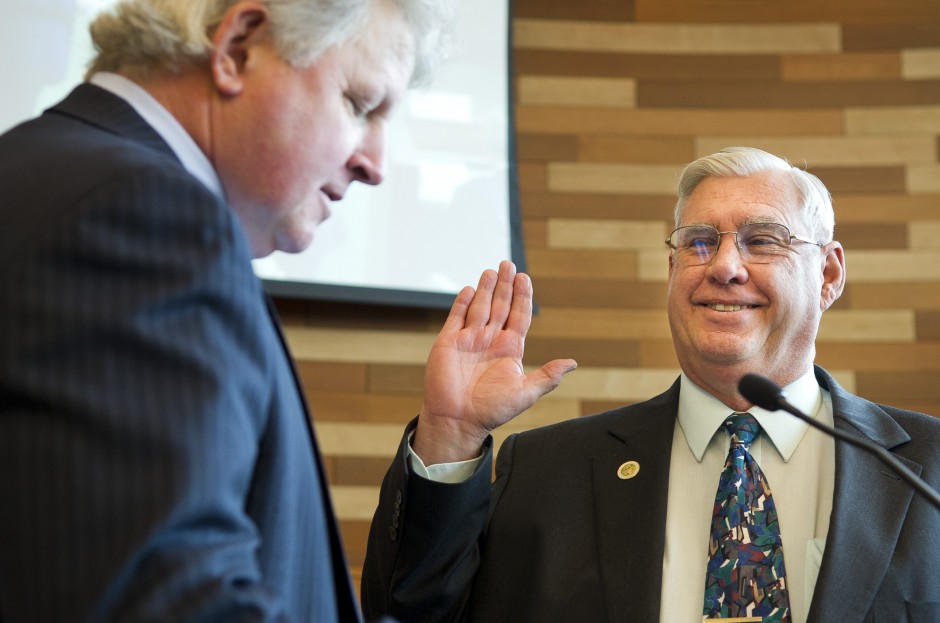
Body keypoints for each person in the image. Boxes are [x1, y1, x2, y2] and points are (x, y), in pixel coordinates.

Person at [0, 0, 500, 621]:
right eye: (358, 104)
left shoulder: (47, 168)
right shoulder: (143, 212)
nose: (376, 165)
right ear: (238, 46)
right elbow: (172, 603)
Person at [361, 147, 940, 623]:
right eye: (698, 242)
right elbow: (409, 615)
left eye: (762, 241)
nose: (724, 266)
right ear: (672, 271)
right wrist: (450, 435)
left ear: (829, 273)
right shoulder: (546, 471)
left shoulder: (928, 470)